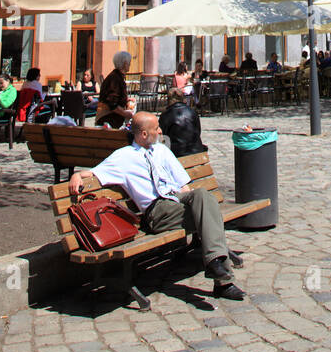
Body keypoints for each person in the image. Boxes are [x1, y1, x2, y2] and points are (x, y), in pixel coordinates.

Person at [68, 111, 244, 300]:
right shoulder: (123, 158)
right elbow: (95, 173)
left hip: (176, 199)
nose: (161, 131)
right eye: (156, 129)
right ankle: (222, 281)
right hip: (157, 210)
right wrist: (76, 175)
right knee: (209, 213)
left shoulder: (161, 150)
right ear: (144, 134)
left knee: (203, 196)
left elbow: (183, 185)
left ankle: (215, 263)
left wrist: (194, 204)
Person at [159, 90, 207, 157]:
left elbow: (163, 137)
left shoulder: (165, 115)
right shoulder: (192, 112)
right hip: (196, 151)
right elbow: (198, 131)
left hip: (177, 154)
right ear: (183, 99)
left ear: (169, 100)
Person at [95, 51, 134, 128]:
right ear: (125, 63)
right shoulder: (115, 78)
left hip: (112, 121)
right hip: (108, 121)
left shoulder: (117, 76)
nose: (130, 64)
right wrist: (125, 113)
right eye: (129, 62)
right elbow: (112, 103)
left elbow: (114, 97)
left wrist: (126, 100)